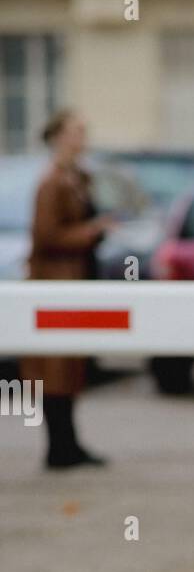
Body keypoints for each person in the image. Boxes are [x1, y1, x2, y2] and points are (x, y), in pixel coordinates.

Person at [19, 108, 115, 469]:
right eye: (76, 130)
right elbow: (46, 235)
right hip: (56, 282)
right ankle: (59, 446)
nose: (82, 137)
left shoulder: (75, 177)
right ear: (59, 135)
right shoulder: (52, 182)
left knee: (70, 364)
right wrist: (90, 231)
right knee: (55, 367)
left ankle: (68, 443)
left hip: (74, 279)